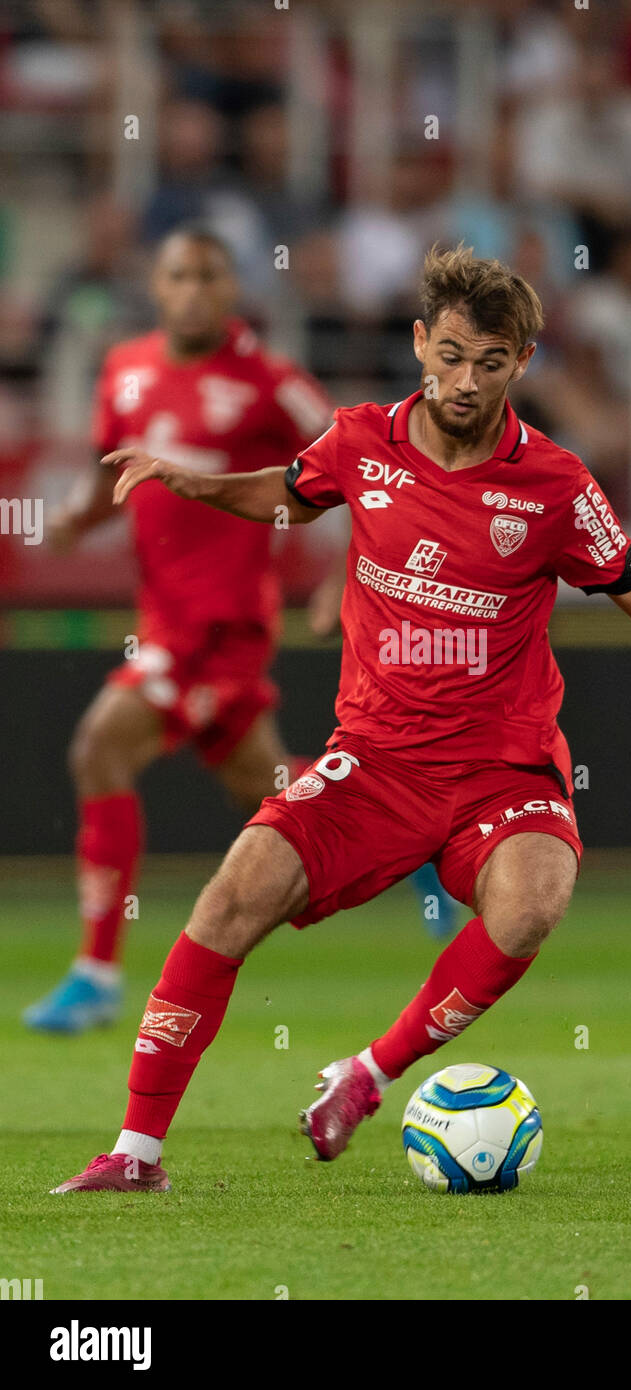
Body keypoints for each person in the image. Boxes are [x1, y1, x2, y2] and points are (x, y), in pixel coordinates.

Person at [50, 244, 631, 1192]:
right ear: (422, 342)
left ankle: (367, 1073)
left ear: (522, 364)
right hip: (374, 762)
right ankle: (136, 1155)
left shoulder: (552, 484)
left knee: (532, 902)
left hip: (503, 769)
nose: (467, 381)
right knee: (230, 897)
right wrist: (193, 481)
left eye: (492, 362)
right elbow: (291, 496)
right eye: (452, 355)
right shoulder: (359, 440)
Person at [24, 226, 336, 1035]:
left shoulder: (270, 383)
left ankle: (95, 972)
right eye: (177, 275)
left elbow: (363, 465)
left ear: (232, 288)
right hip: (163, 620)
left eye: (208, 275)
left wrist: (349, 572)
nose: (193, 289)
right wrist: (75, 521)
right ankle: (402, 838)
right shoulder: (125, 369)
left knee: (99, 746)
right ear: (156, 288)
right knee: (268, 794)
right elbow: (111, 472)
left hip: (222, 630)